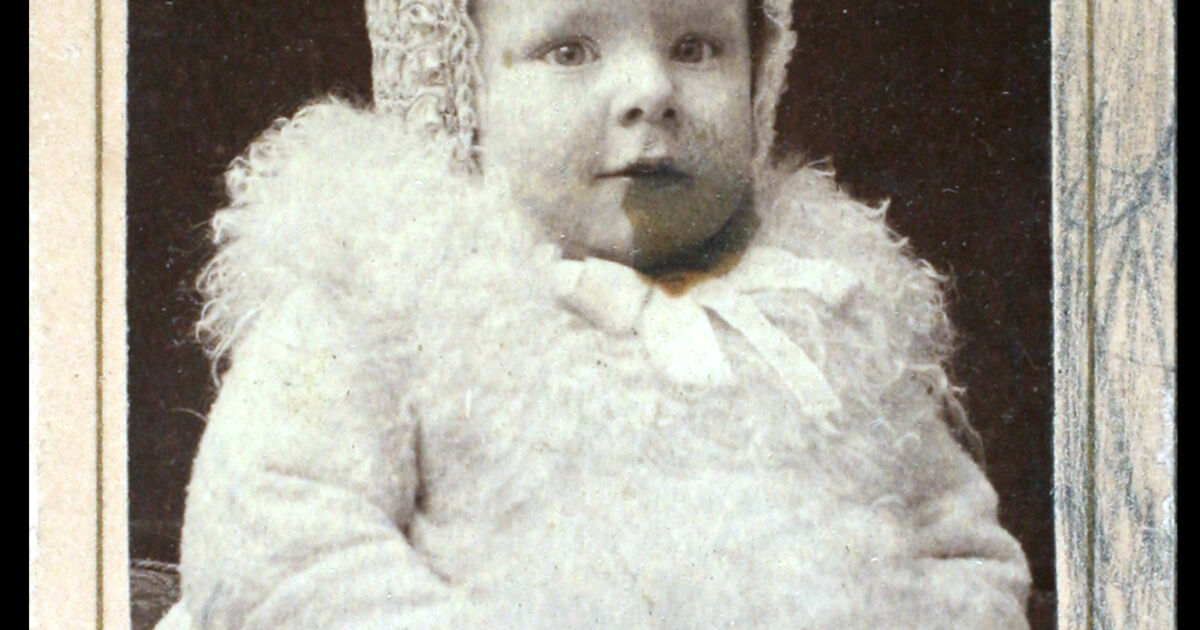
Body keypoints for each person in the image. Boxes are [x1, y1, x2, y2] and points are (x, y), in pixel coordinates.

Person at [157, 0, 1031, 627]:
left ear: (763, 76)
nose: (650, 91)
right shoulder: (382, 297)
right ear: (465, 82)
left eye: (696, 46)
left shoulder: (828, 315)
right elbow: (283, 549)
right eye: (571, 50)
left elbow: (965, 564)